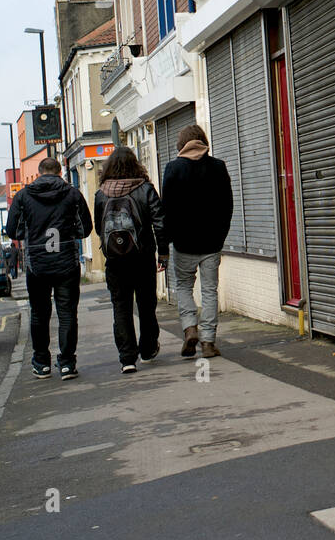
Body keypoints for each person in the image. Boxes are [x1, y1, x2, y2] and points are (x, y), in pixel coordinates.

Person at [4, 157, 92, 380]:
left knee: (39, 315)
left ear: (39, 172)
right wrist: (70, 234)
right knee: (67, 314)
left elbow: (12, 230)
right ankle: (67, 364)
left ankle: (41, 363)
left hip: (37, 265)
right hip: (66, 263)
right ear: (60, 172)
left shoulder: (23, 196)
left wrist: (30, 234)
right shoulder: (72, 194)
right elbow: (86, 228)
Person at [93, 147, 167, 375]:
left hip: (115, 261)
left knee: (121, 307)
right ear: (136, 165)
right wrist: (163, 253)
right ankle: (147, 349)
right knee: (146, 305)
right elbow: (160, 223)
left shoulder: (101, 193)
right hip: (143, 257)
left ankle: (127, 358)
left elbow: (99, 227)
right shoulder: (145, 189)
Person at [161, 124, 233, 359]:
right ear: (203, 141)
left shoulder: (172, 169)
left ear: (181, 144)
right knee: (210, 291)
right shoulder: (218, 167)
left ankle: (190, 327)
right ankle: (209, 342)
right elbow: (227, 206)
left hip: (183, 243)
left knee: (183, 287)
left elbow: (166, 209)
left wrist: (169, 240)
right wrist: (220, 235)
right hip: (211, 243)